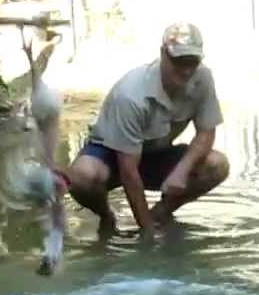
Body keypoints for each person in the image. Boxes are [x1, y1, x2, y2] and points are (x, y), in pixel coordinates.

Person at [65, 22, 231, 235]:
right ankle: (107, 216)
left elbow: (206, 132)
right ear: (163, 54)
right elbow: (128, 171)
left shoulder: (203, 78)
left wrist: (181, 172)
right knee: (81, 177)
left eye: (193, 61)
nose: (187, 69)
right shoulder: (131, 95)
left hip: (155, 153)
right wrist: (148, 233)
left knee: (217, 164)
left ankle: (162, 212)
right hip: (111, 156)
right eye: (179, 61)